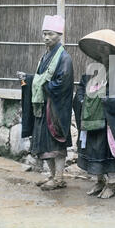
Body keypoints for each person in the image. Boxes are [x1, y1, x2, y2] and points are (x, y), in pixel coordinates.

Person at [73, 29, 115, 199]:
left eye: (105, 48)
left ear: (113, 51)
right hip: (92, 119)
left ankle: (112, 184)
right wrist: (82, 100)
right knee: (93, 151)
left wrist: (106, 100)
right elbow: (81, 88)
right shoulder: (93, 70)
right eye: (99, 48)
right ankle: (99, 181)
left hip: (108, 122)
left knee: (107, 152)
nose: (102, 52)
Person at [17, 15, 74, 191]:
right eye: (44, 34)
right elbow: (42, 79)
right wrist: (28, 78)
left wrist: (41, 84)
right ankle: (51, 175)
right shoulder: (46, 56)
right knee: (44, 143)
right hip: (44, 106)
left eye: (50, 34)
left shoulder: (64, 58)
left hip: (56, 108)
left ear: (59, 34)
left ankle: (59, 178)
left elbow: (62, 82)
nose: (46, 38)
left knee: (56, 143)